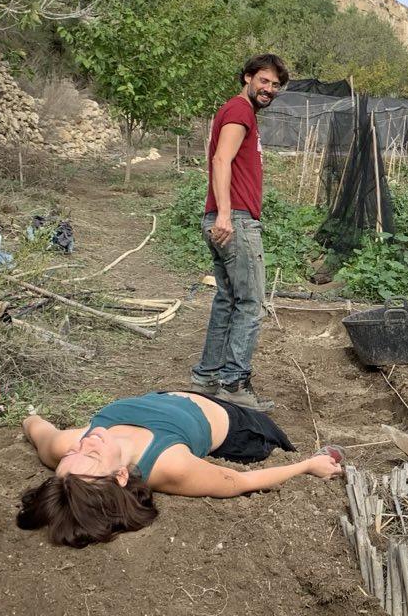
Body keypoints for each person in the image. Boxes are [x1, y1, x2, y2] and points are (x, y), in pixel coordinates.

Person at [17, 390, 342, 547]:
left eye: (72, 453)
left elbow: (36, 428)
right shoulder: (171, 465)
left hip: (180, 397)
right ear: (120, 475)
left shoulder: (65, 447)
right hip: (239, 430)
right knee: (280, 444)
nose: (84, 443)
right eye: (89, 456)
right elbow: (239, 481)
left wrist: (23, 414)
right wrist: (307, 466)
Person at [192, 54, 289, 411]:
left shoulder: (238, 111)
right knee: (250, 304)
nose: (269, 89)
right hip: (236, 220)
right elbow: (221, 159)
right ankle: (233, 384)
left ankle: (207, 378)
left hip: (227, 218)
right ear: (247, 77)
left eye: (276, 85)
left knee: (227, 301)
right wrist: (225, 215)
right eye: (264, 81)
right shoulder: (239, 110)